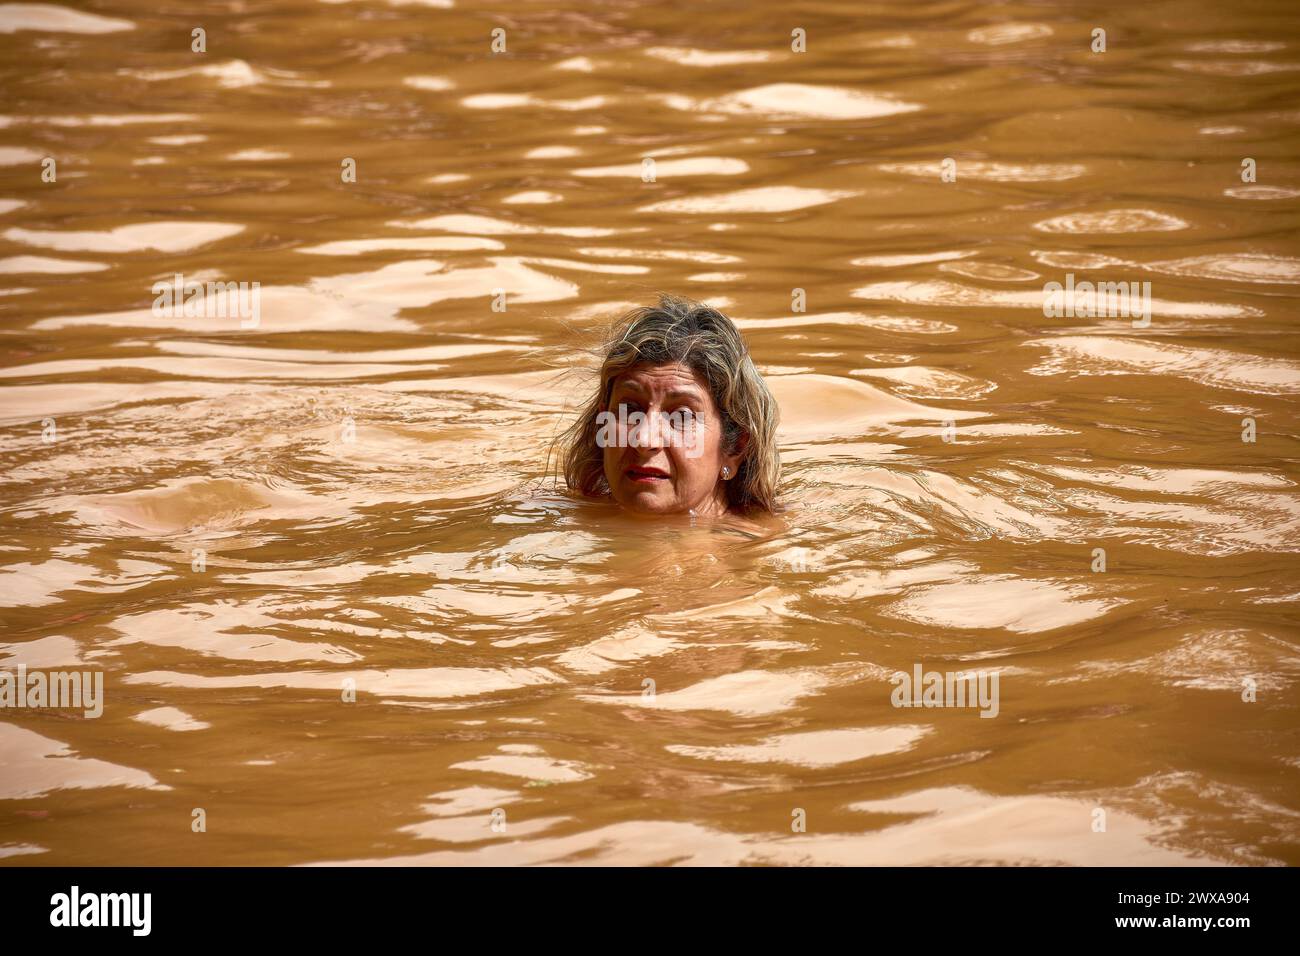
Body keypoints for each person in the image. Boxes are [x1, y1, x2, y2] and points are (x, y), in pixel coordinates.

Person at [557, 293, 780, 519]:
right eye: (630, 410)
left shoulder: (772, 548)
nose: (644, 439)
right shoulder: (556, 519)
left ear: (735, 449)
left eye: (681, 417)